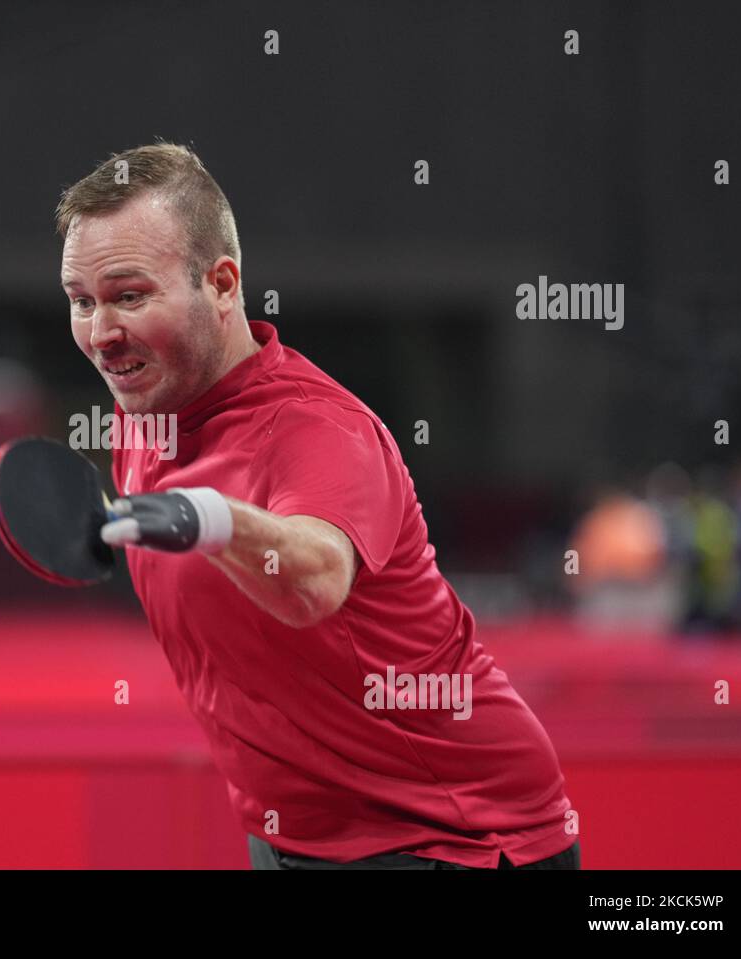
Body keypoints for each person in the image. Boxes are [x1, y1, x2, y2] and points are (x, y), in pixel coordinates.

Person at [55, 142, 578, 870]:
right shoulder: (145, 412)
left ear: (223, 283)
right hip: (293, 833)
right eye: (81, 301)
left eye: (129, 295)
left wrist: (211, 516)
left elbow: (316, 579)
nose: (101, 333)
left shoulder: (318, 428)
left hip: (451, 835)